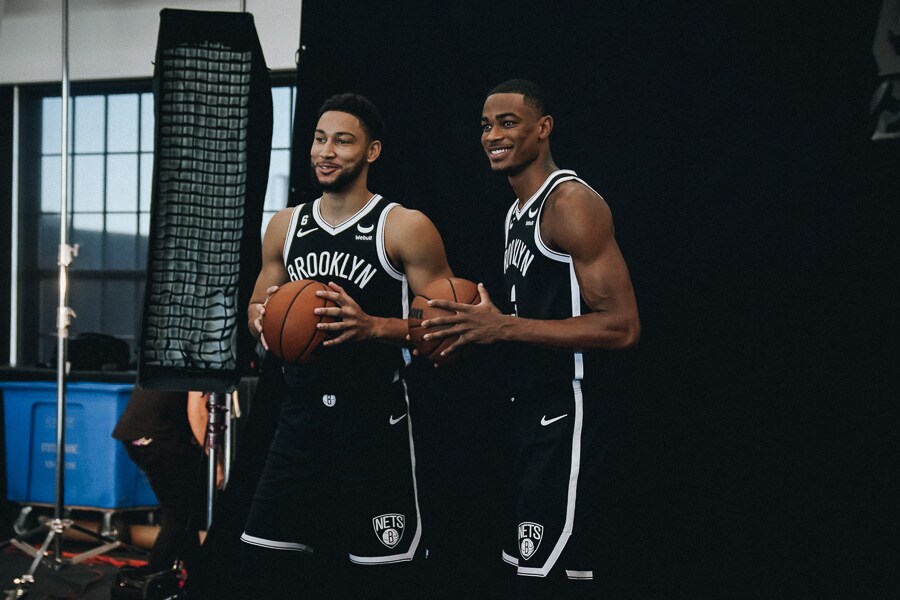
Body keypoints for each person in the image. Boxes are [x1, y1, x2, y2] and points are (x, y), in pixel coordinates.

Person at [420, 79, 641, 598]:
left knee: (548, 576)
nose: (492, 135)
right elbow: (531, 318)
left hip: (574, 411)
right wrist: (482, 327)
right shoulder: (517, 212)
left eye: (507, 122)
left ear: (543, 129)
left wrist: (504, 327)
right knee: (548, 571)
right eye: (485, 125)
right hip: (531, 410)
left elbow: (623, 325)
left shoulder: (570, 204)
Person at [240, 92, 453, 599]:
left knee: (382, 576)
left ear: (372, 152)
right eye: (319, 139)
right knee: (267, 569)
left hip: (375, 419)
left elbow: (450, 328)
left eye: (342, 140)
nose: (325, 151)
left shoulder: (403, 226)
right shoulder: (285, 225)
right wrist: (267, 318)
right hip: (300, 416)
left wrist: (373, 326)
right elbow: (253, 311)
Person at [111, 388, 217, 582]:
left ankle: (199, 574)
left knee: (184, 513)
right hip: (157, 435)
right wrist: (215, 460)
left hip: (144, 433)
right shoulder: (204, 362)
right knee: (179, 513)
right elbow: (197, 412)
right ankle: (155, 578)